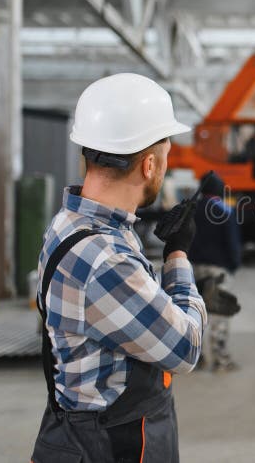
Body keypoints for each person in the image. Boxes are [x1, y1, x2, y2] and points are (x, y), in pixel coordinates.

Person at [31, 73, 206, 463]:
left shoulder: (72, 223)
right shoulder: (105, 259)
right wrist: (178, 256)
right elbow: (186, 347)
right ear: (148, 165)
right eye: (165, 155)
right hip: (111, 446)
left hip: (92, 432)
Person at [188, 174, 243, 371]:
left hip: (193, 268)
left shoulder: (191, 211)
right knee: (219, 312)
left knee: (196, 312)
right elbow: (232, 242)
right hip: (218, 269)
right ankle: (220, 360)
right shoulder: (224, 211)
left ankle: (196, 359)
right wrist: (234, 265)